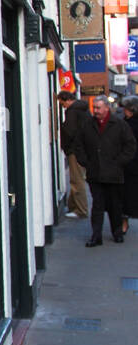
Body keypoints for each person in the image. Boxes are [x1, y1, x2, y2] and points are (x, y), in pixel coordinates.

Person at [73, 95, 137, 245]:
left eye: (98, 108)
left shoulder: (119, 125)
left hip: (114, 173)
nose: (95, 111)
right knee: (98, 205)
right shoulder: (87, 125)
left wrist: (119, 162)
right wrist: (85, 162)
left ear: (107, 108)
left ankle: (117, 232)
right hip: (95, 172)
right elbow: (78, 145)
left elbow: (130, 146)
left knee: (115, 205)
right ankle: (96, 236)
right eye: (94, 108)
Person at [57, 90, 89, 219]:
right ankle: (73, 206)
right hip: (83, 149)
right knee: (77, 178)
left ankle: (81, 210)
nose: (62, 106)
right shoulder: (83, 110)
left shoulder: (72, 112)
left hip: (75, 151)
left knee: (77, 180)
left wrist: (67, 147)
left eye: (62, 103)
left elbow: (69, 131)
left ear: (67, 100)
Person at [120, 96, 138, 236]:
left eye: (125, 108)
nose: (123, 111)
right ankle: (123, 221)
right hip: (127, 164)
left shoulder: (127, 124)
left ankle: (124, 221)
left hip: (131, 163)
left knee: (128, 195)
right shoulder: (123, 123)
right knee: (125, 195)